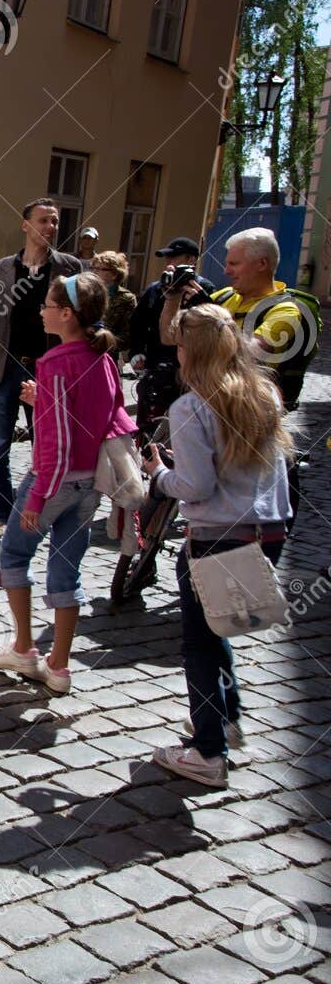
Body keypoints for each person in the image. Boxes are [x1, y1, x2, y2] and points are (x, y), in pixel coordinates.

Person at [144, 304, 293, 789]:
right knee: (218, 629)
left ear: (194, 352)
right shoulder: (265, 393)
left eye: (182, 345)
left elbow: (196, 485)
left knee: (200, 643)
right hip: (266, 529)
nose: (178, 354)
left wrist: (159, 474)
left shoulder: (191, 407)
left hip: (216, 534)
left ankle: (208, 751)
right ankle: (226, 719)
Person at [0, 273, 131, 695]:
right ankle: (60, 667)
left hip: (55, 481)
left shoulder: (55, 363)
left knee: (13, 552)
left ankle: (25, 647)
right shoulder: (102, 358)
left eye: (47, 305)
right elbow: (108, 417)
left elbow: (57, 441)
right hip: (90, 484)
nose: (41, 310)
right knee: (67, 569)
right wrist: (43, 400)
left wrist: (38, 495)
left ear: (66, 314)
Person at [0, 198, 84, 541]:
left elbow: (80, 322)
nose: (50, 227)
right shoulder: (3, 269)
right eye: (44, 220)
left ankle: (43, 510)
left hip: (49, 372)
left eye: (55, 221)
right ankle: (2, 515)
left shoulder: (69, 267)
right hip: (3, 369)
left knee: (46, 446)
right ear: (26, 226)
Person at [207, 227, 319, 410]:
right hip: (209, 402)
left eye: (234, 264)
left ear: (262, 264)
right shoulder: (224, 296)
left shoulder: (285, 310)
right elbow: (169, 337)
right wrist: (174, 300)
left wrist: (206, 327)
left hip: (249, 411)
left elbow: (248, 354)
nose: (226, 271)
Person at [128, 236, 211, 434]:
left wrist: (202, 302)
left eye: (174, 257)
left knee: (180, 426)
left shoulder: (204, 289)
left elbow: (212, 329)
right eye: (167, 258)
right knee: (148, 423)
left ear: (191, 260)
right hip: (156, 364)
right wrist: (136, 351)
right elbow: (137, 322)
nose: (169, 263)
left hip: (189, 370)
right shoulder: (156, 288)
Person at [91, 250, 137, 360]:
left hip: (108, 355)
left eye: (100, 269)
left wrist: (104, 342)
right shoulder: (87, 294)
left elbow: (128, 336)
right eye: (94, 268)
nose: (95, 272)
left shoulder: (126, 299)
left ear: (114, 274)